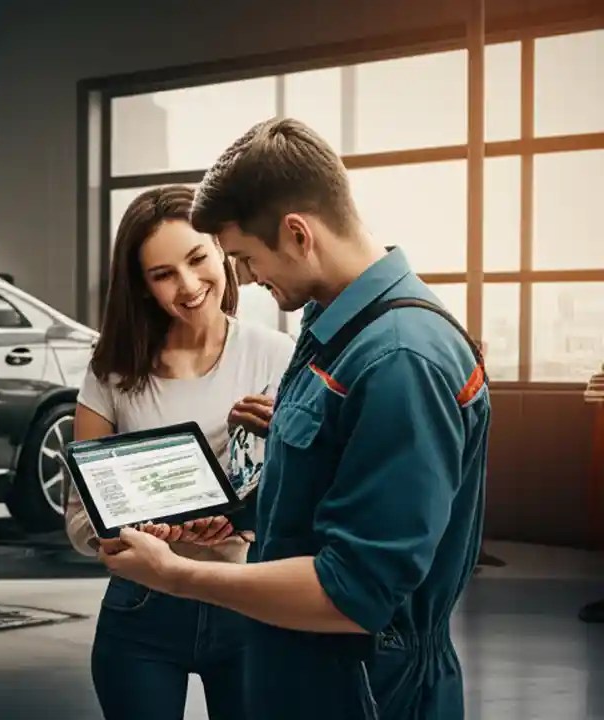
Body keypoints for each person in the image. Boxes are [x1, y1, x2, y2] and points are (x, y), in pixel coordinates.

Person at [98, 118, 492, 720]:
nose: (248, 279)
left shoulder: (401, 360)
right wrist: (237, 516)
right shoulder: (331, 329)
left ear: (298, 234)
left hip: (366, 692)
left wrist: (179, 577)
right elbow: (329, 489)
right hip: (302, 676)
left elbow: (353, 593)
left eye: (246, 259)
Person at [64, 184, 295, 720]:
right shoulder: (112, 371)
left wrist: (250, 520)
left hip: (247, 599)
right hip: (141, 608)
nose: (188, 286)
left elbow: (305, 500)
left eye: (196, 259)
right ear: (141, 287)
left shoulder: (276, 354)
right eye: (163, 274)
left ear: (222, 250)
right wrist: (130, 530)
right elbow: (80, 520)